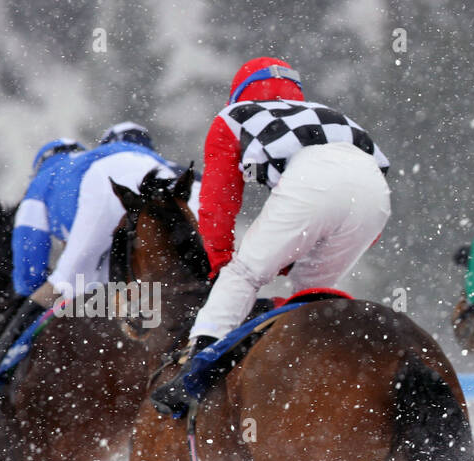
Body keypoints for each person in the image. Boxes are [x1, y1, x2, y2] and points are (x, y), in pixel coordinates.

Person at [151, 56, 390, 417]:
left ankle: (192, 376)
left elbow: (218, 203)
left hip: (313, 184)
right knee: (310, 292)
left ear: (240, 92)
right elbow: (365, 195)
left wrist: (219, 263)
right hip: (375, 198)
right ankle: (318, 362)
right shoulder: (331, 115)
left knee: (242, 274)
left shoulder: (234, 116)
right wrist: (299, 252)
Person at [0, 131, 184, 387]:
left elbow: (29, 271)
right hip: (160, 173)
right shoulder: (86, 162)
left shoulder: (40, 183)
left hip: (109, 190)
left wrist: (34, 293)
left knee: (61, 285)